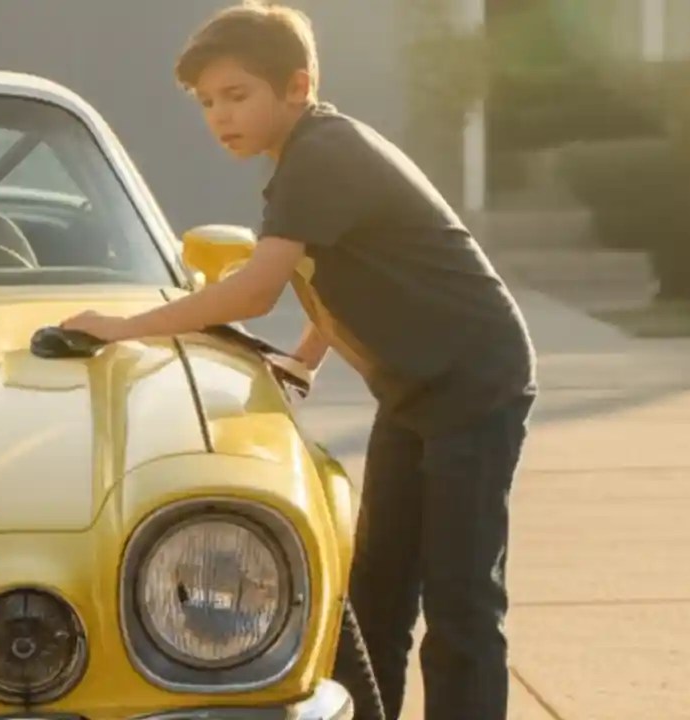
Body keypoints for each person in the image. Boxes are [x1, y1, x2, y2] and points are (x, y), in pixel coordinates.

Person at [60, 3, 538, 719]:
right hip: (414, 388)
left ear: (297, 85)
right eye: (208, 103)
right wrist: (307, 356)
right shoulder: (306, 155)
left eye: (237, 95)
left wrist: (125, 327)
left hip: (472, 382)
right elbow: (330, 268)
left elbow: (256, 290)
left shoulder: (324, 153)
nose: (222, 116)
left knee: (459, 598)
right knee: (377, 590)